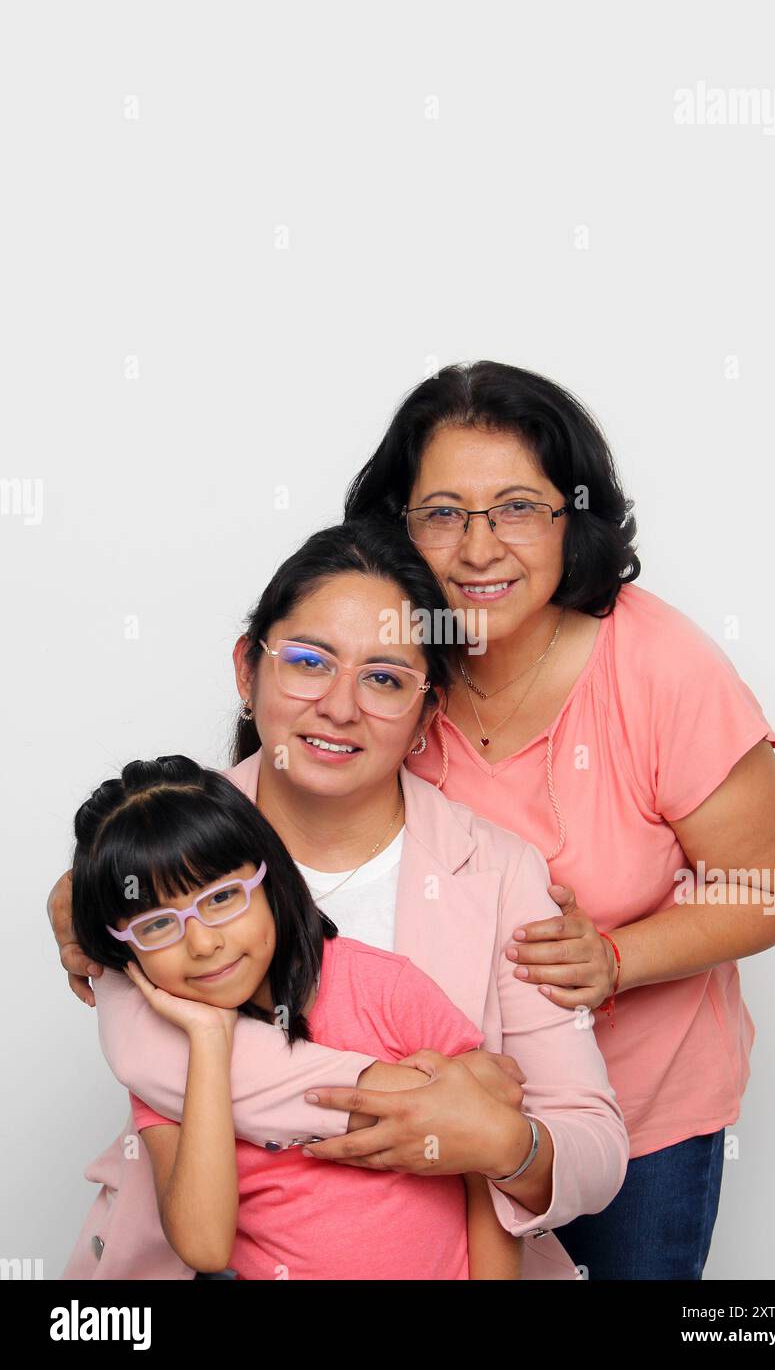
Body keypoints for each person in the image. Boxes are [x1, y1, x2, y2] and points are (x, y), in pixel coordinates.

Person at [52, 518, 628, 1281]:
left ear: (427, 712)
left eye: (385, 677)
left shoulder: (497, 872)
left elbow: (593, 1144)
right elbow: (148, 1049)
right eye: (307, 662)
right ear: (246, 671)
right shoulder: (157, 852)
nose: (340, 705)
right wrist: (412, 1098)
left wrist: (499, 1142)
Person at [341, 359, 775, 1279]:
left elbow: (773, 889)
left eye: (518, 507)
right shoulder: (391, 648)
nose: (478, 550)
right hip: (442, 1108)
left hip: (643, 1119)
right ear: (397, 527)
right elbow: (270, 796)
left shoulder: (659, 664)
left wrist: (616, 958)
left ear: (573, 518)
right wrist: (107, 891)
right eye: (442, 514)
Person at [71, 754, 523, 1280]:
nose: (202, 942)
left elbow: (485, 1165)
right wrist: (210, 1044)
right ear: (127, 955)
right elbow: (205, 1246)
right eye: (155, 926)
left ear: (269, 874)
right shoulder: (165, 1062)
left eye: (222, 898)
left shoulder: (382, 986)